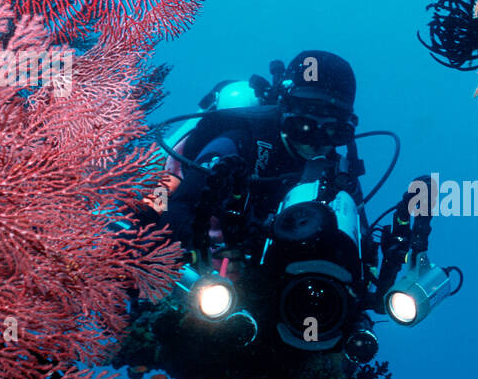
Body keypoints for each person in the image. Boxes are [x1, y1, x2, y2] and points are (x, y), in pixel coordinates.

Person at [151, 50, 362, 255]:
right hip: (209, 261)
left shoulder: (339, 174)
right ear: (285, 114)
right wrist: (203, 252)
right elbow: (180, 207)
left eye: (332, 131)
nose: (316, 142)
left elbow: (361, 243)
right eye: (304, 126)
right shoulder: (243, 138)